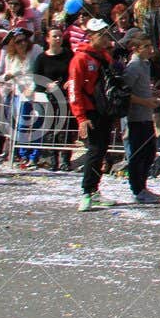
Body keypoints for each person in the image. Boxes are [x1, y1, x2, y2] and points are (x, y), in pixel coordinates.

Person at [67, 18, 129, 212]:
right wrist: (81, 118)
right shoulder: (80, 58)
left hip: (104, 110)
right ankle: (86, 191)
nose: (106, 38)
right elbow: (74, 90)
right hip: (90, 111)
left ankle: (94, 190)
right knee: (94, 151)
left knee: (101, 150)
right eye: (102, 34)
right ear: (92, 36)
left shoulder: (104, 57)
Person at [121, 35, 160, 204]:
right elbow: (126, 93)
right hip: (136, 116)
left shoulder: (146, 64)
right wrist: (145, 101)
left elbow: (142, 88)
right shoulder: (133, 66)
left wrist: (153, 95)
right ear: (137, 49)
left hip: (147, 115)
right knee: (138, 154)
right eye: (146, 46)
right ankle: (137, 189)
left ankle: (143, 186)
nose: (150, 50)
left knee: (149, 153)